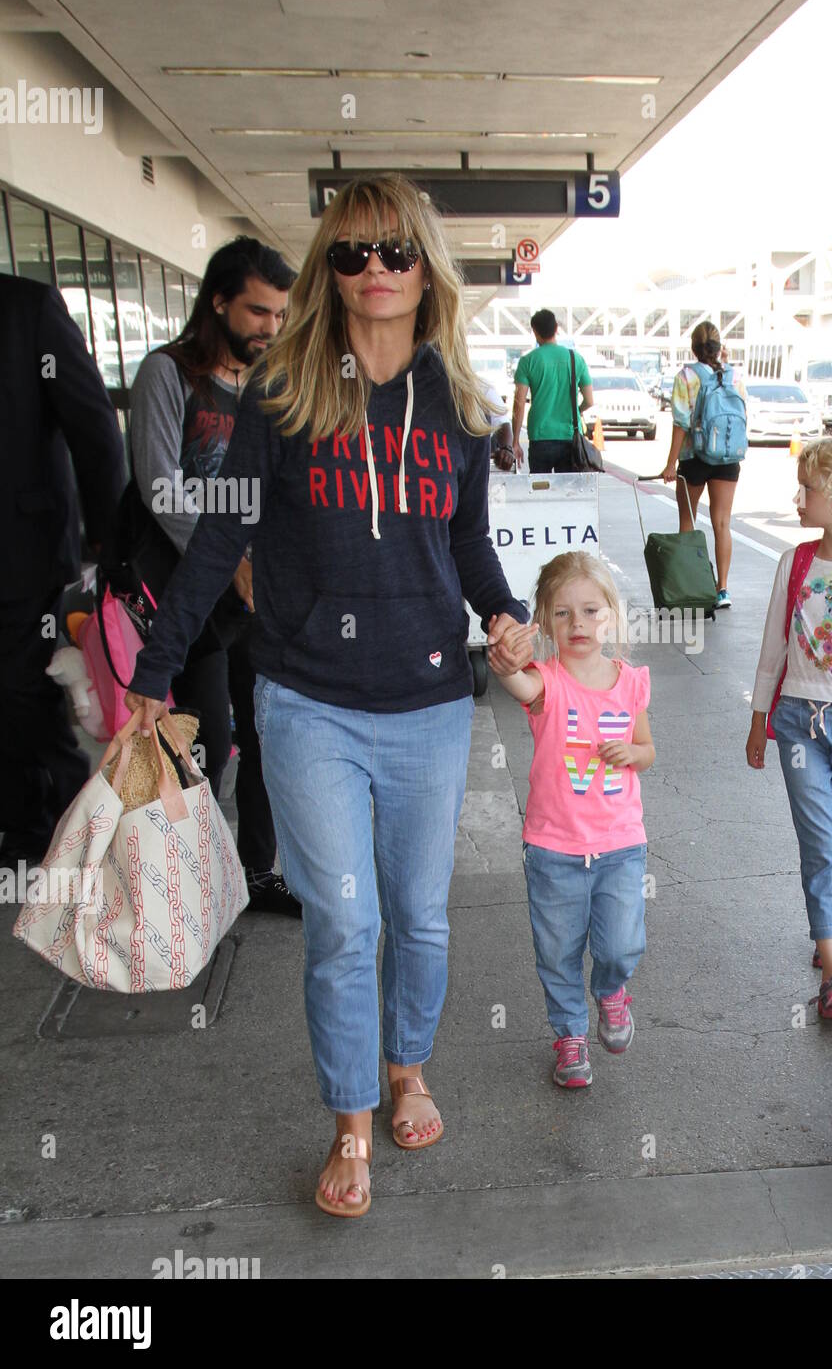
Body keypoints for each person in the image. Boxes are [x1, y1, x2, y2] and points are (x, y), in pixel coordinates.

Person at [125, 173, 533, 1218]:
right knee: (345, 923)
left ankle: (409, 1067)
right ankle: (352, 1117)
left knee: (421, 920)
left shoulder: (462, 405)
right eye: (350, 254)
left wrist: (508, 616)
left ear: (425, 264)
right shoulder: (283, 398)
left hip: (432, 704)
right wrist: (152, 672)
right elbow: (220, 541)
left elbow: (468, 548)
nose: (374, 272)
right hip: (307, 702)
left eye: (395, 251)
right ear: (328, 270)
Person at [127, 236, 299, 914]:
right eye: (259, 312)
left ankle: (257, 873)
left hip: (257, 595)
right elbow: (161, 490)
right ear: (218, 301)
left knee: (265, 734)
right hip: (191, 596)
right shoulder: (166, 374)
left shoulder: (270, 388)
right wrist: (229, 560)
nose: (271, 328)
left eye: (281, 315)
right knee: (207, 742)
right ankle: (189, 879)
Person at [489, 552, 655, 1090]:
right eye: (562, 614)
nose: (577, 624)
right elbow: (519, 687)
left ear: (611, 614)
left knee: (621, 943)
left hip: (620, 843)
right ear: (544, 621)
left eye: (589, 610)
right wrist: (508, 664)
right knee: (557, 950)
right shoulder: (547, 681)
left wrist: (633, 753)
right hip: (554, 847)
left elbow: (648, 748)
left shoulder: (630, 682)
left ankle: (611, 990)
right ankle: (570, 1035)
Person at [746, 435, 832, 1020]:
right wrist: (759, 719)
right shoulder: (795, 561)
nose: (799, 498)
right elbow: (773, 647)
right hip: (799, 720)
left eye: (811, 488)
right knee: (821, 844)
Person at [0, 272, 126, 874]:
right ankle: (25, 825)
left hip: (19, 551)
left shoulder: (26, 308)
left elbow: (94, 426)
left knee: (24, 692)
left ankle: (65, 831)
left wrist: (110, 542)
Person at [659, 322, 745, 608]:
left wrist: (670, 464)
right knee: (722, 523)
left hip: (694, 457)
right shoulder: (733, 377)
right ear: (719, 347)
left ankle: (690, 585)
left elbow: (681, 423)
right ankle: (723, 590)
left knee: (688, 520)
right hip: (727, 458)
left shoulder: (686, 376)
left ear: (694, 348)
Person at [510, 309, 594, 473]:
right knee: (567, 494)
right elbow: (590, 400)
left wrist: (515, 441)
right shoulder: (575, 358)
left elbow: (519, 403)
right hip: (570, 436)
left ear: (534, 331)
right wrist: (577, 410)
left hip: (540, 437)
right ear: (556, 328)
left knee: (541, 494)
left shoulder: (528, 361)